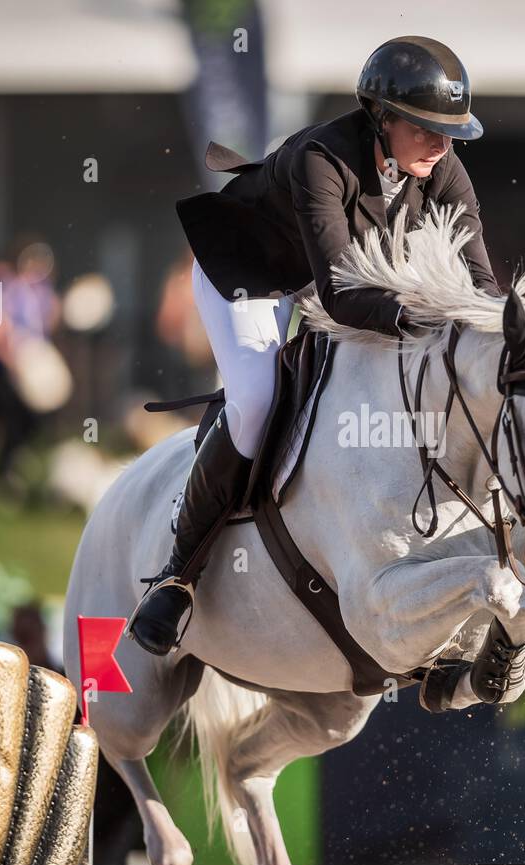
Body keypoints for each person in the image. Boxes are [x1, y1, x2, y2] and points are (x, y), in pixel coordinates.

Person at [126, 36, 502, 655]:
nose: (444, 144)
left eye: (452, 132)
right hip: (247, 276)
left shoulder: (443, 169)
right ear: (382, 117)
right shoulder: (322, 159)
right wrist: (436, 316)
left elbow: (482, 284)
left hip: (320, 284)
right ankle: (176, 575)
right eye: (429, 130)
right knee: (257, 397)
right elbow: (340, 296)